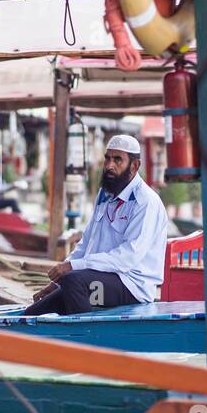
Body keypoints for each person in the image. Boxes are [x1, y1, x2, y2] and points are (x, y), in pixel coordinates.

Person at [25, 135, 169, 316]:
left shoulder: (146, 202)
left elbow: (126, 259)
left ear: (135, 166)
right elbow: (87, 243)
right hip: (99, 279)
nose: (109, 165)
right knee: (32, 314)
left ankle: (86, 338)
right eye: (107, 158)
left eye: (118, 160)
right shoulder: (105, 194)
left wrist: (71, 268)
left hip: (132, 286)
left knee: (74, 282)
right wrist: (57, 281)